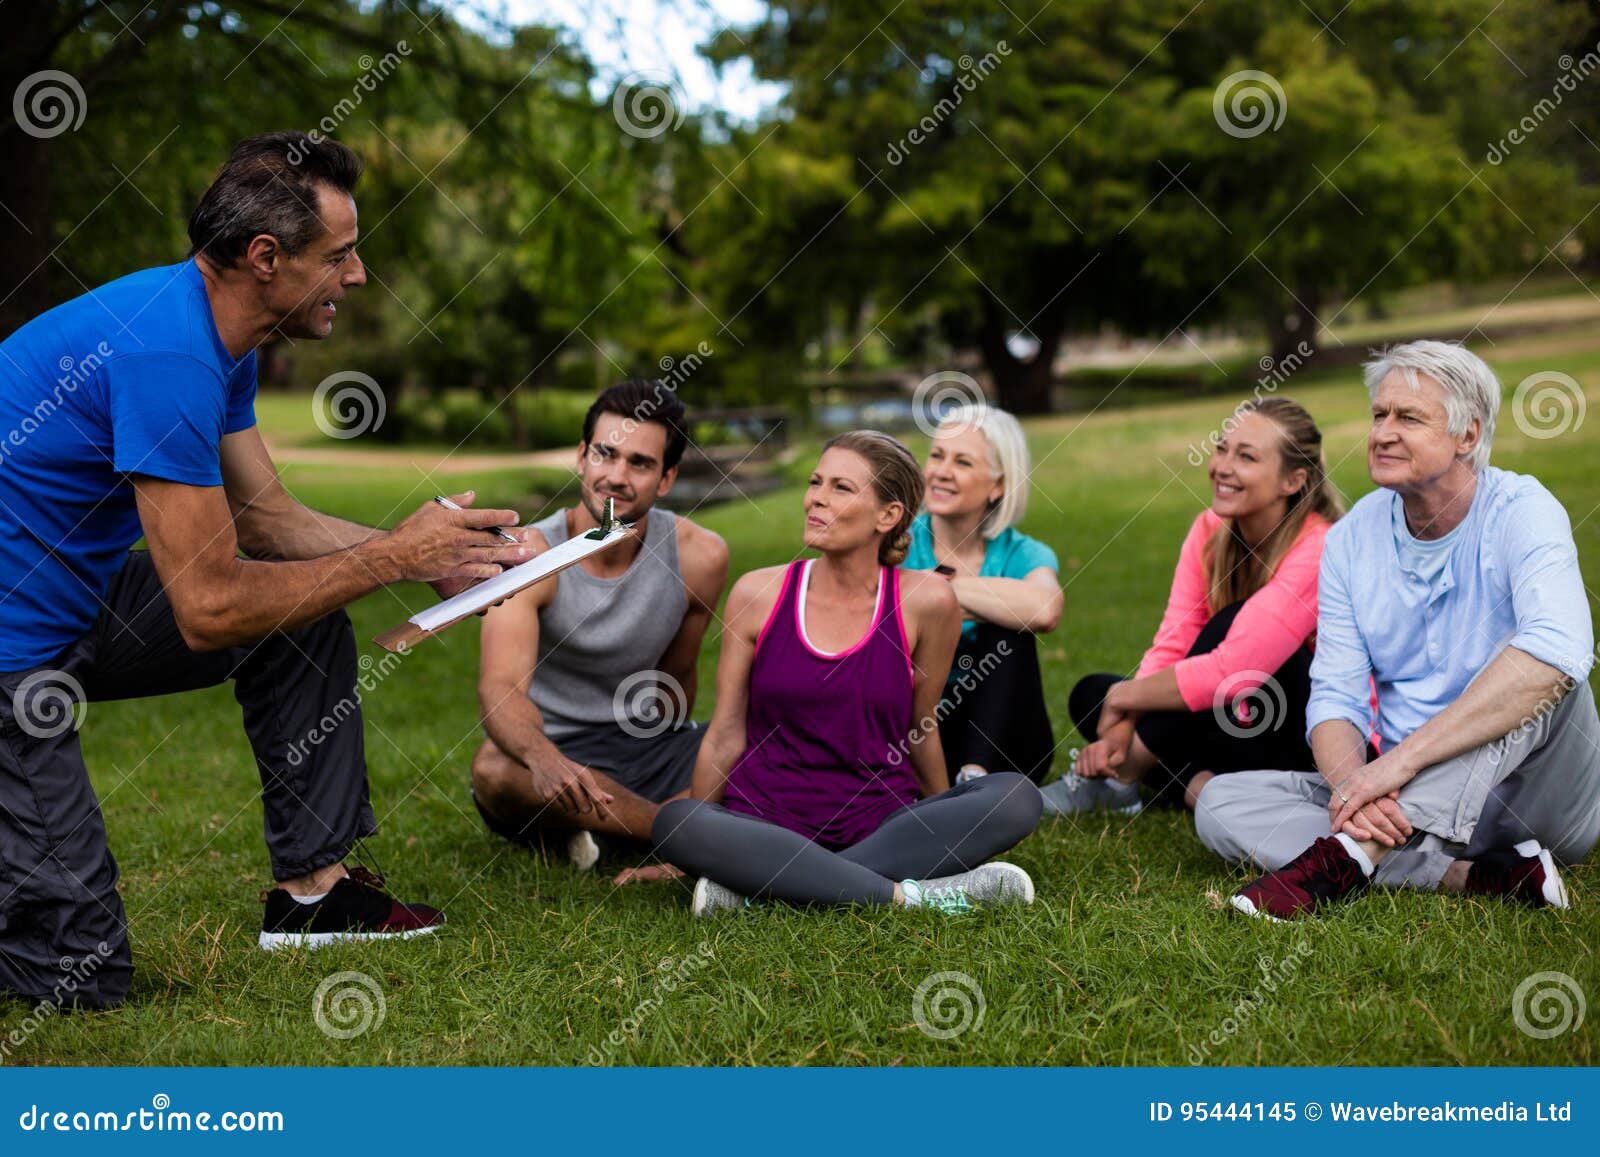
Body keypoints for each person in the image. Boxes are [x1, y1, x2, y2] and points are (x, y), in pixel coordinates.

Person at [0, 132, 541, 1008]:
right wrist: (391, 554)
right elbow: (209, 607)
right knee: (81, 976)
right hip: (11, 656)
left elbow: (271, 522)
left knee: (303, 615)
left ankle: (315, 898)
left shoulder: (225, 339)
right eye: (340, 256)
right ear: (265, 258)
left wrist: (436, 559)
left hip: (75, 606)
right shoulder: (166, 354)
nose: (357, 277)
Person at [1197, 341, 1600, 919]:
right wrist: (1351, 787)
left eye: (1408, 417)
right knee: (1220, 800)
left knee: (1533, 672)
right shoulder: (1349, 540)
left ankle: (1346, 859)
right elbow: (1335, 695)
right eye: (1379, 414)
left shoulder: (1523, 510)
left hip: (1536, 796)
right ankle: (1471, 876)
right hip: (1407, 807)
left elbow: (1559, 650)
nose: (1383, 432)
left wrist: (1397, 765)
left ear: (1467, 436)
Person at [647, 431, 1043, 916]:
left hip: (879, 821)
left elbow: (922, 726)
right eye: (816, 482)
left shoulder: (928, 602)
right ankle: (902, 896)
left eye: (840, 488)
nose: (816, 498)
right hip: (766, 818)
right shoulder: (759, 593)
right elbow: (726, 730)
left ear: (889, 515)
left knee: (1017, 797)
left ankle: (770, 889)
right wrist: (689, 844)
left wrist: (945, 824)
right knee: (677, 821)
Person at [1043, 397, 1342, 817]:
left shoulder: (1319, 546)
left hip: (1304, 734)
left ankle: (1123, 777)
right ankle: (1201, 788)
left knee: (1228, 629)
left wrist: (1124, 699)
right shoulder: (1209, 529)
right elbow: (1175, 642)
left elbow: (1232, 671)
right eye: (1222, 448)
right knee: (1092, 693)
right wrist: (1124, 717)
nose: (1222, 466)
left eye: (1246, 457)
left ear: (1293, 481)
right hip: (1232, 721)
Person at [470, 380, 728, 867]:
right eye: (605, 455)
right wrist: (545, 760)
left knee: (759, 743)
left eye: (640, 463)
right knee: (493, 770)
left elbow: (677, 678)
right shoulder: (528, 556)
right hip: (554, 746)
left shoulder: (700, 556)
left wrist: (680, 756)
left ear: (667, 478)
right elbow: (501, 689)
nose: (616, 475)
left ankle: (602, 828)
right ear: (581, 456)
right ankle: (679, 837)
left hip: (645, 748)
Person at [901, 404, 1063, 785]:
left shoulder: (1023, 553)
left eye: (963, 462)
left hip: (1010, 744)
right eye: (937, 455)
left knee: (1009, 629)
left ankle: (975, 778)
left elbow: (1044, 609)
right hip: (920, 734)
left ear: (998, 484)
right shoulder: (899, 544)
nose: (941, 471)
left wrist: (938, 589)